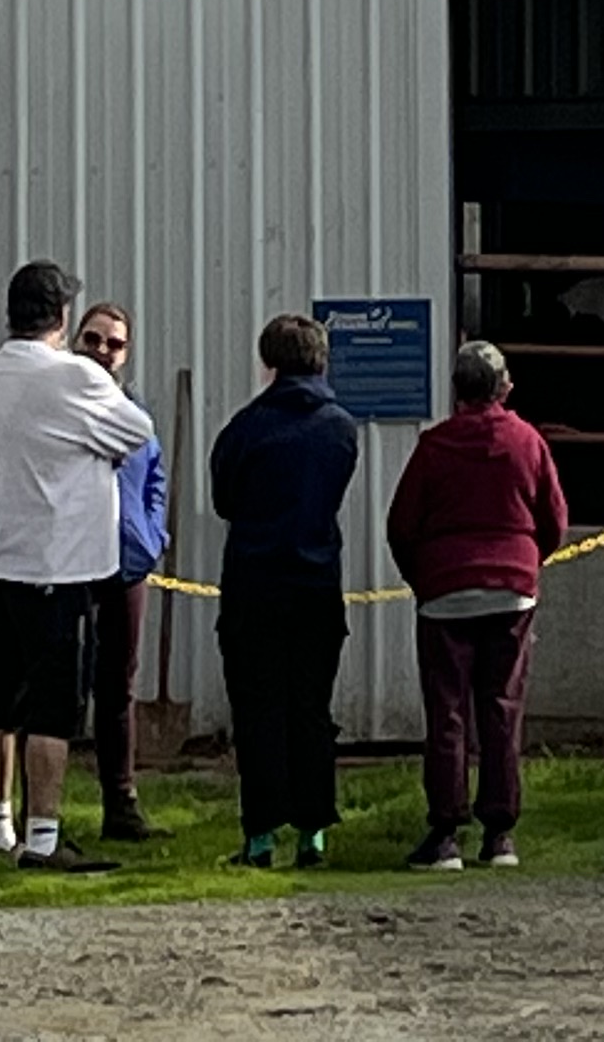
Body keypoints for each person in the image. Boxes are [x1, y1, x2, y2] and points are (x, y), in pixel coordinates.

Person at [0, 257, 156, 870]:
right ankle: (44, 836)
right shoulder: (73, 378)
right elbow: (135, 431)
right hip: (55, 566)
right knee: (53, 705)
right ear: (63, 318)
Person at [384, 337, 568, 870]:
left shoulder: (435, 446)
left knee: (447, 712)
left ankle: (444, 834)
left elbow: (401, 525)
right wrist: (527, 563)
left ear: (457, 388)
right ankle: (499, 834)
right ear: (503, 387)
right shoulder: (527, 442)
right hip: (511, 588)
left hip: (445, 593)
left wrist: (423, 579)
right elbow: (553, 518)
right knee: (501, 708)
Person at [208, 310, 359, 869]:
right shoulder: (340, 427)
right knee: (311, 709)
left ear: (268, 362)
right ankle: (314, 831)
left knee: (258, 709)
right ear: (321, 360)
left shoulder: (245, 427)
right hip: (316, 583)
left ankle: (260, 836)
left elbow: (224, 499)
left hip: (254, 584)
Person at [73, 299, 168, 843]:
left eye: (115, 343)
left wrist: (154, 533)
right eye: (94, 339)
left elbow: (154, 475)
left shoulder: (135, 410)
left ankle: (121, 804)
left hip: (128, 561)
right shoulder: (61, 404)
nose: (104, 351)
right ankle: (44, 813)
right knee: (62, 685)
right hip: (68, 561)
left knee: (118, 686)